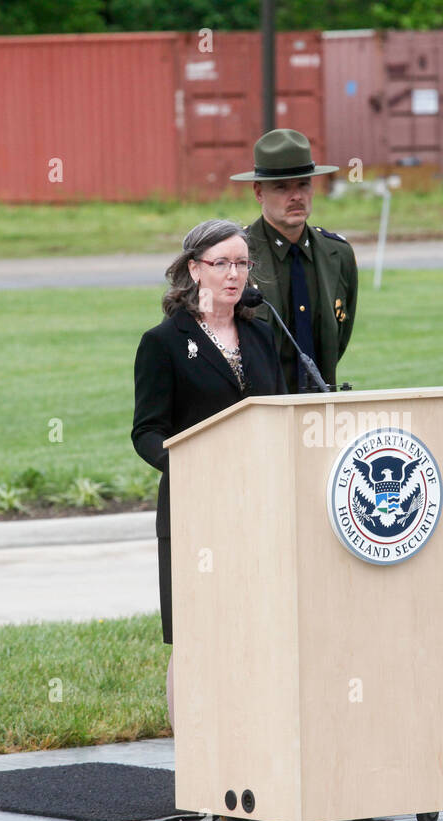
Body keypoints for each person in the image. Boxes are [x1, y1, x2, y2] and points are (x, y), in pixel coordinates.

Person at [131, 219, 287, 721]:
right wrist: (192, 467)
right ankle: (193, 759)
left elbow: (282, 413)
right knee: (198, 635)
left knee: (256, 628)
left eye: (242, 263)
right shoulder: (165, 342)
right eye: (222, 263)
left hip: (260, 508)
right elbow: (146, 431)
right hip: (196, 511)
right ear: (195, 269)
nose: (234, 274)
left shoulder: (263, 335)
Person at [231, 128, 358, 393]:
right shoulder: (235, 256)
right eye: (281, 187)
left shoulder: (337, 254)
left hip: (321, 411)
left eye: (303, 184)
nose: (296, 196)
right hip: (255, 410)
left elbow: (338, 339)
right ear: (258, 192)